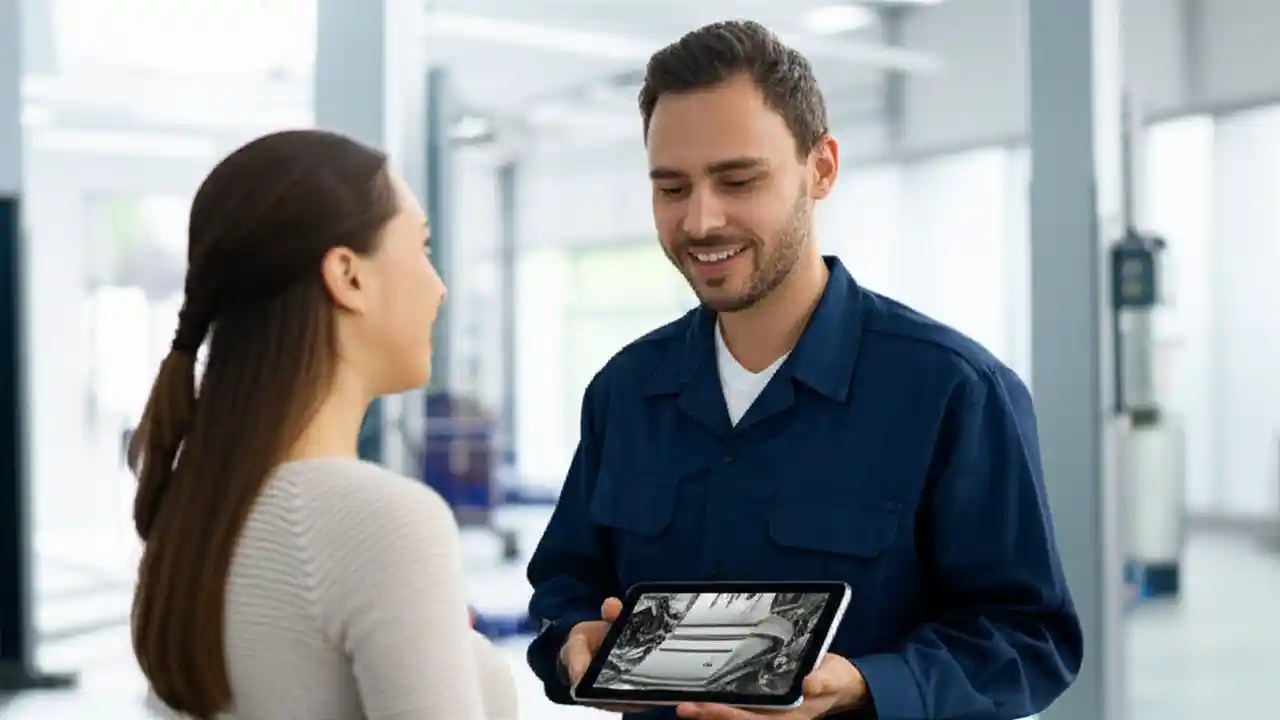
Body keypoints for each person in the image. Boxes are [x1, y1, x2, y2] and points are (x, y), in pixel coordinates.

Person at [525, 20, 1082, 720]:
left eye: (738, 180)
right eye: (672, 188)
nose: (700, 220)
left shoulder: (954, 391)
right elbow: (566, 586)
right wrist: (572, 639)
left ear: (820, 169)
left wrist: (867, 684)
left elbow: (1028, 640)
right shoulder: (625, 392)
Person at [128, 129, 517, 720]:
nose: (439, 289)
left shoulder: (195, 513)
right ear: (347, 275)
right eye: (422, 247)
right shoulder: (382, 520)